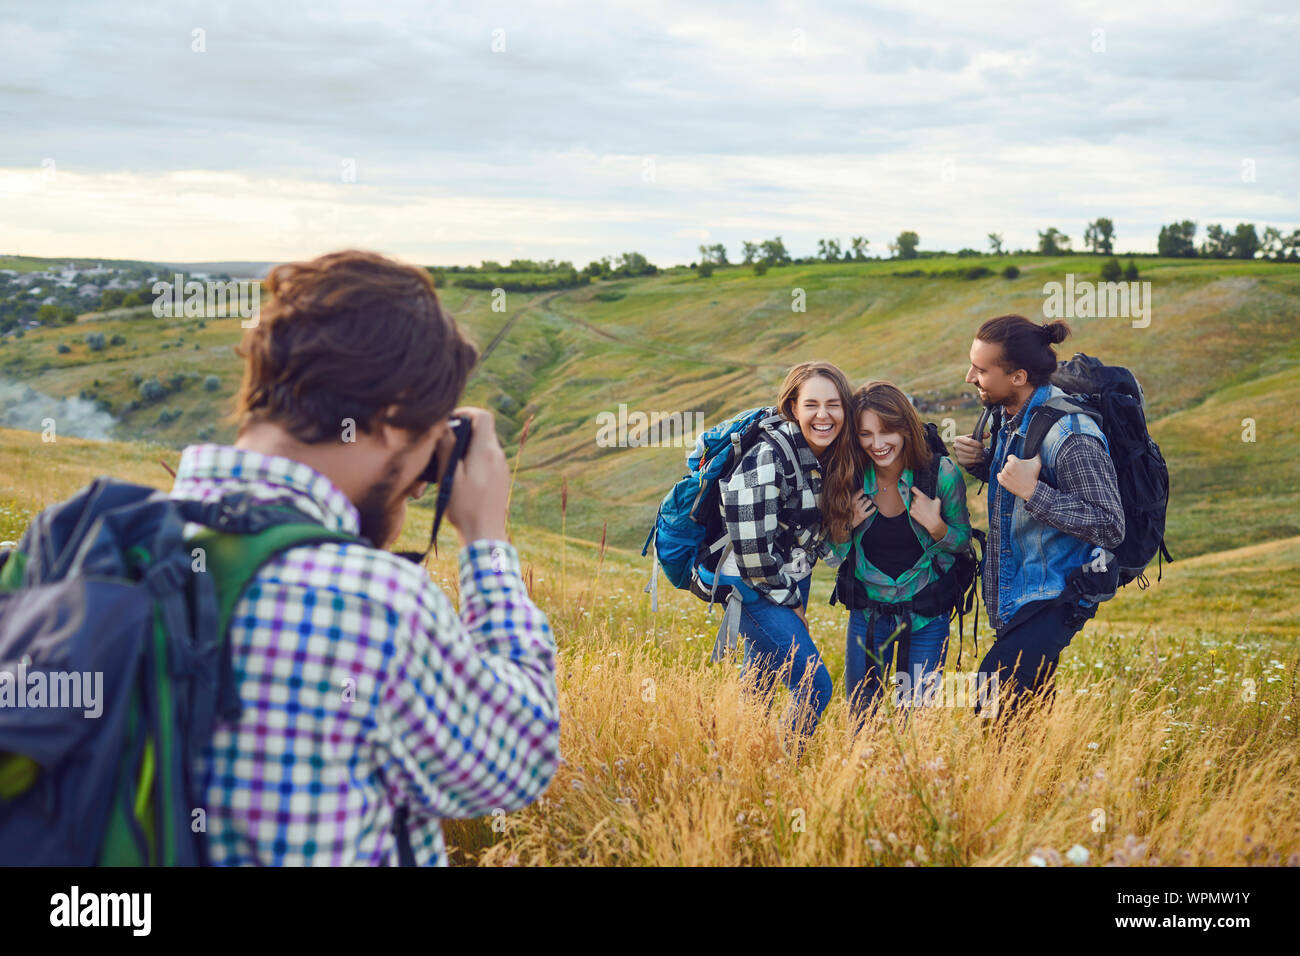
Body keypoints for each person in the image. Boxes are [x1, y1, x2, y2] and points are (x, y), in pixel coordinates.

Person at [170, 249, 559, 865]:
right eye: (430, 440)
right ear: (390, 417)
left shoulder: (84, 548)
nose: (416, 484)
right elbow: (520, 756)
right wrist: (486, 538)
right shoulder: (367, 605)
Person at [952, 315, 1124, 714]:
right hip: (1020, 591)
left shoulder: (1071, 434)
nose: (969, 377)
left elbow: (1109, 524)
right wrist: (983, 465)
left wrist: (1033, 491)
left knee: (994, 691)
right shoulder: (1010, 417)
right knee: (1024, 707)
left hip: (1058, 594)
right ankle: (1035, 775)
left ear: (1018, 377)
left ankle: (1007, 776)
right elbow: (1017, 493)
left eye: (980, 369)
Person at [718, 361, 861, 748]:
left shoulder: (827, 458)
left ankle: (739, 763)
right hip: (749, 582)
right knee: (815, 686)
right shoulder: (769, 455)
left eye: (833, 404)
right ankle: (782, 764)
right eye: (811, 404)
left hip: (783, 579)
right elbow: (751, 552)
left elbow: (812, 542)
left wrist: (845, 524)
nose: (823, 415)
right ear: (792, 407)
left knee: (761, 676)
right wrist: (791, 601)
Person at [840, 382, 972, 722]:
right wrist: (847, 524)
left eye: (887, 430)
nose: (878, 443)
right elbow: (829, 551)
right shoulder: (850, 477)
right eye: (866, 434)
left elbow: (962, 543)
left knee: (917, 722)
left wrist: (936, 526)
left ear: (905, 428)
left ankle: (909, 777)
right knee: (861, 717)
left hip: (927, 616)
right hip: (867, 616)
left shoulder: (940, 474)